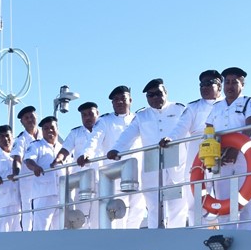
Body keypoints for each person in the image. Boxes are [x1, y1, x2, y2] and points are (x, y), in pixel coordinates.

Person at [107, 78, 188, 228]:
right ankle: (155, 236)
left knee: (177, 206)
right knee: (153, 206)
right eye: (151, 95)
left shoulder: (179, 110)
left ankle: (177, 235)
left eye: (158, 93)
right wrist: (117, 149)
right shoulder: (142, 116)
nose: (155, 97)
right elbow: (128, 134)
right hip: (152, 166)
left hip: (177, 165)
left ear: (166, 93)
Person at [204, 67, 251, 226]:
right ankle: (226, 232)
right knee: (223, 198)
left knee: (245, 197)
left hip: (244, 156)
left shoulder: (248, 102)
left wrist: (236, 148)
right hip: (221, 157)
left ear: (242, 84)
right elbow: (209, 127)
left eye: (234, 82)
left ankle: (247, 234)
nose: (230, 86)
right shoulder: (217, 106)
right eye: (227, 82)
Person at [165, 70, 223, 223]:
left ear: (219, 86)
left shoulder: (228, 104)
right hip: (198, 149)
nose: (204, 87)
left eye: (209, 83)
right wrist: (171, 138)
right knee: (194, 195)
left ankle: (227, 228)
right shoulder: (193, 107)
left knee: (223, 193)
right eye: (201, 84)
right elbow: (181, 127)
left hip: (224, 147)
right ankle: (197, 229)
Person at [92, 85, 142, 227]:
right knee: (118, 210)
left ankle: (133, 237)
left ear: (130, 100)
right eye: (116, 99)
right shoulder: (105, 121)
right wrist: (87, 154)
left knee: (138, 209)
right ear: (112, 103)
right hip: (116, 174)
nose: (119, 102)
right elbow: (94, 139)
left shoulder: (139, 118)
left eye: (123, 98)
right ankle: (119, 238)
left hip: (139, 171)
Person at [55, 101, 104, 228]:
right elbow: (65, 149)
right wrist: (58, 159)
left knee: (98, 218)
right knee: (80, 218)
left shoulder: (104, 129)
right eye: (84, 115)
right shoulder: (75, 133)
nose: (87, 118)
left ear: (97, 113)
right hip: (81, 182)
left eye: (90, 114)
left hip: (101, 179)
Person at [24, 116, 67, 231]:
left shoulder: (63, 148)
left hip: (62, 194)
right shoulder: (36, 146)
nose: (49, 130)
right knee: (41, 229)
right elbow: (28, 161)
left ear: (57, 129)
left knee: (60, 229)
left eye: (52, 127)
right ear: (42, 131)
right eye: (46, 128)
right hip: (43, 194)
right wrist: (35, 167)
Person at [11, 106, 43, 230]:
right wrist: (16, 173)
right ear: (22, 122)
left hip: (45, 180)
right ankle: (28, 235)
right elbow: (17, 159)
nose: (30, 120)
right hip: (28, 182)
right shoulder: (21, 139)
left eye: (32, 116)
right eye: (26, 118)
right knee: (28, 211)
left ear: (36, 117)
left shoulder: (44, 134)